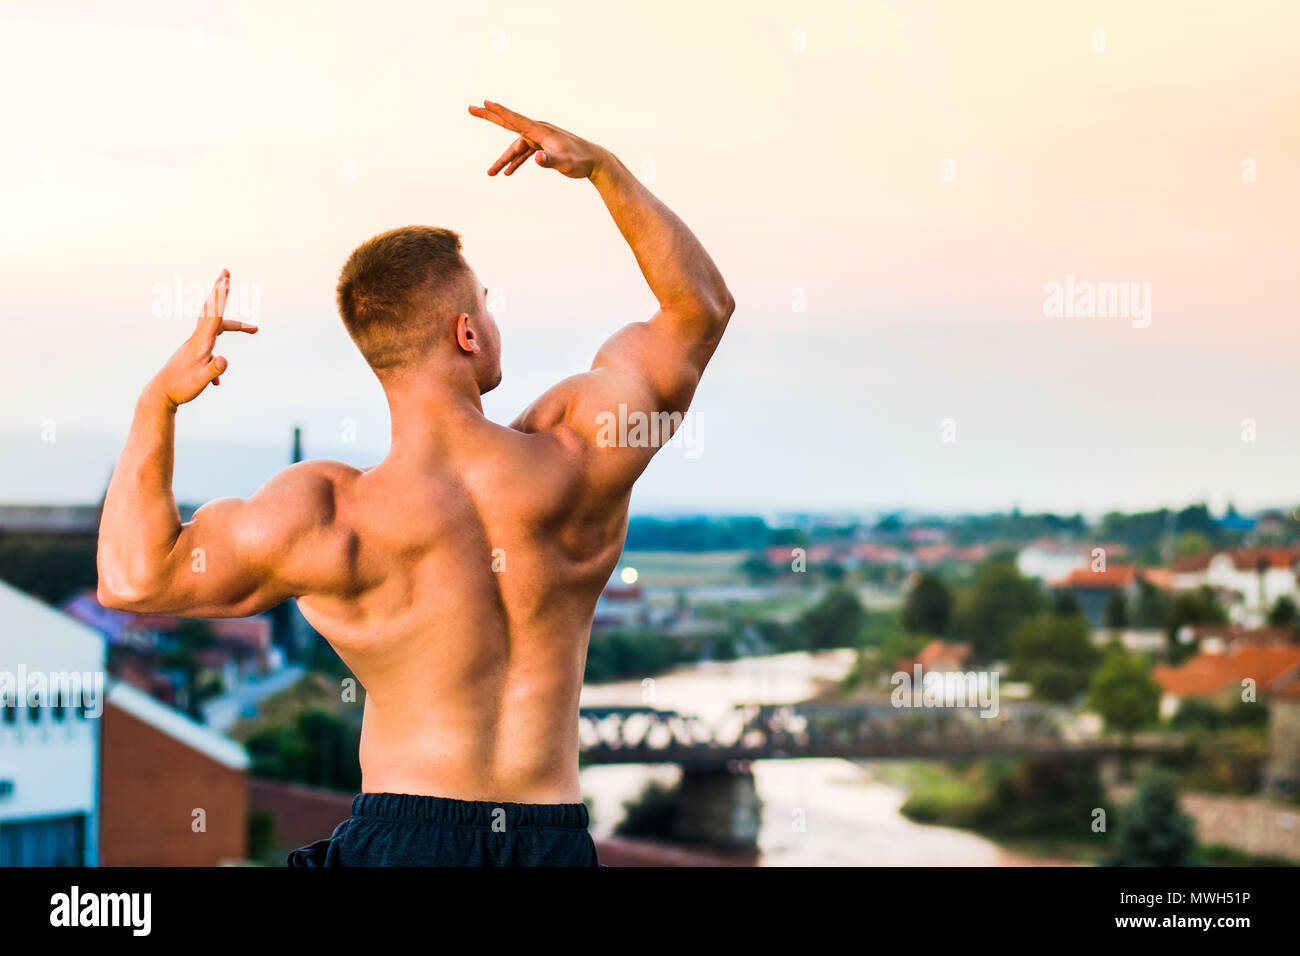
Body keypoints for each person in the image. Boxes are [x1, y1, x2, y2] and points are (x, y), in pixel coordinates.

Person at [97, 101, 735, 866]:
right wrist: (604, 169)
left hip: (402, 840)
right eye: (486, 308)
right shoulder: (580, 452)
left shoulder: (327, 516)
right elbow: (699, 310)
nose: (492, 322)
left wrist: (156, 403)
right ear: (466, 331)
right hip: (548, 844)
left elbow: (131, 579)